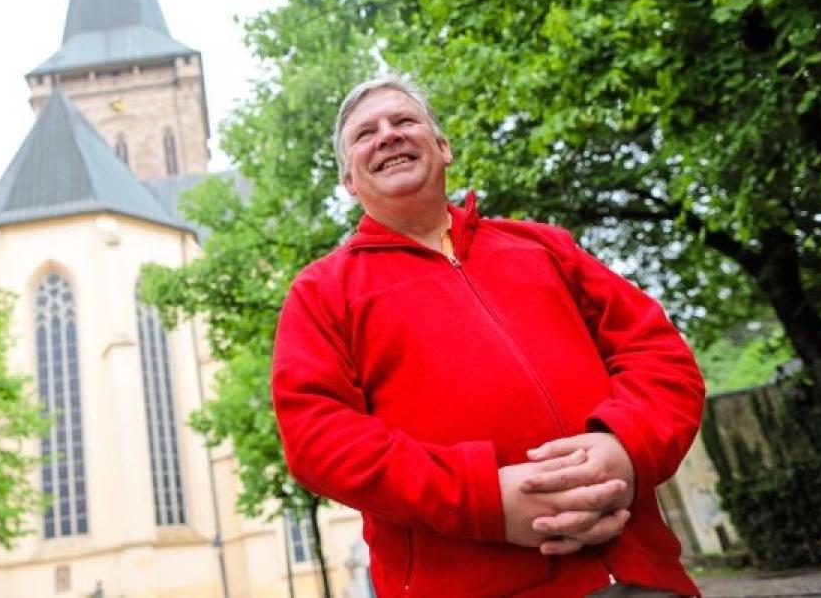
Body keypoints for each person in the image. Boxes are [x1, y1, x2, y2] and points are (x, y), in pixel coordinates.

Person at [271, 75, 705, 597]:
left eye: (405, 121)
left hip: (639, 575)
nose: (388, 135)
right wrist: (485, 500)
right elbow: (319, 439)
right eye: (366, 133)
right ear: (348, 180)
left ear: (443, 148)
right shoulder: (321, 292)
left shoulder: (543, 247)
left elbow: (658, 355)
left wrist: (626, 449)